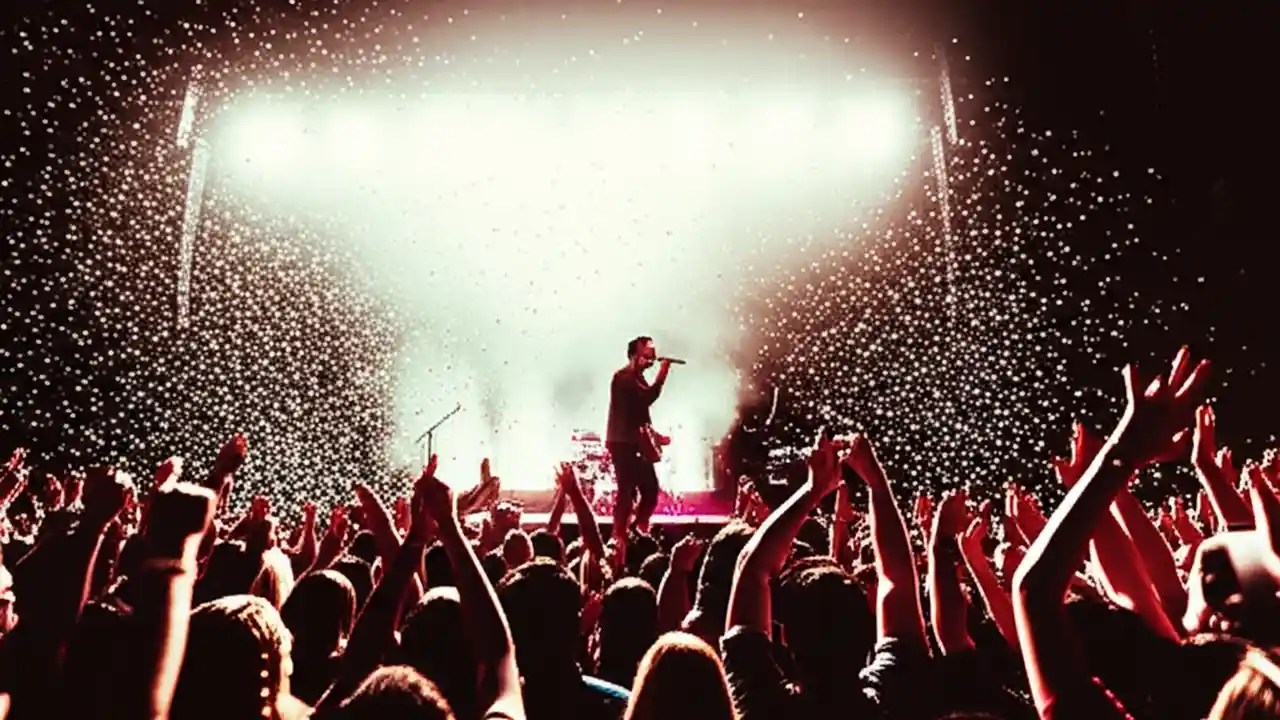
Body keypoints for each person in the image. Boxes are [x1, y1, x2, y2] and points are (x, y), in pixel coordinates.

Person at [606, 337, 674, 547]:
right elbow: (646, 399)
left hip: (633, 444)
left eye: (653, 355)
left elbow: (638, 414)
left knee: (648, 491)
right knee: (628, 491)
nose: (651, 360)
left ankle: (635, 531)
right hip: (624, 444)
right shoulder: (624, 377)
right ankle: (621, 536)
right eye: (647, 354)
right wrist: (663, 374)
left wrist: (655, 436)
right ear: (634, 355)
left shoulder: (636, 378)